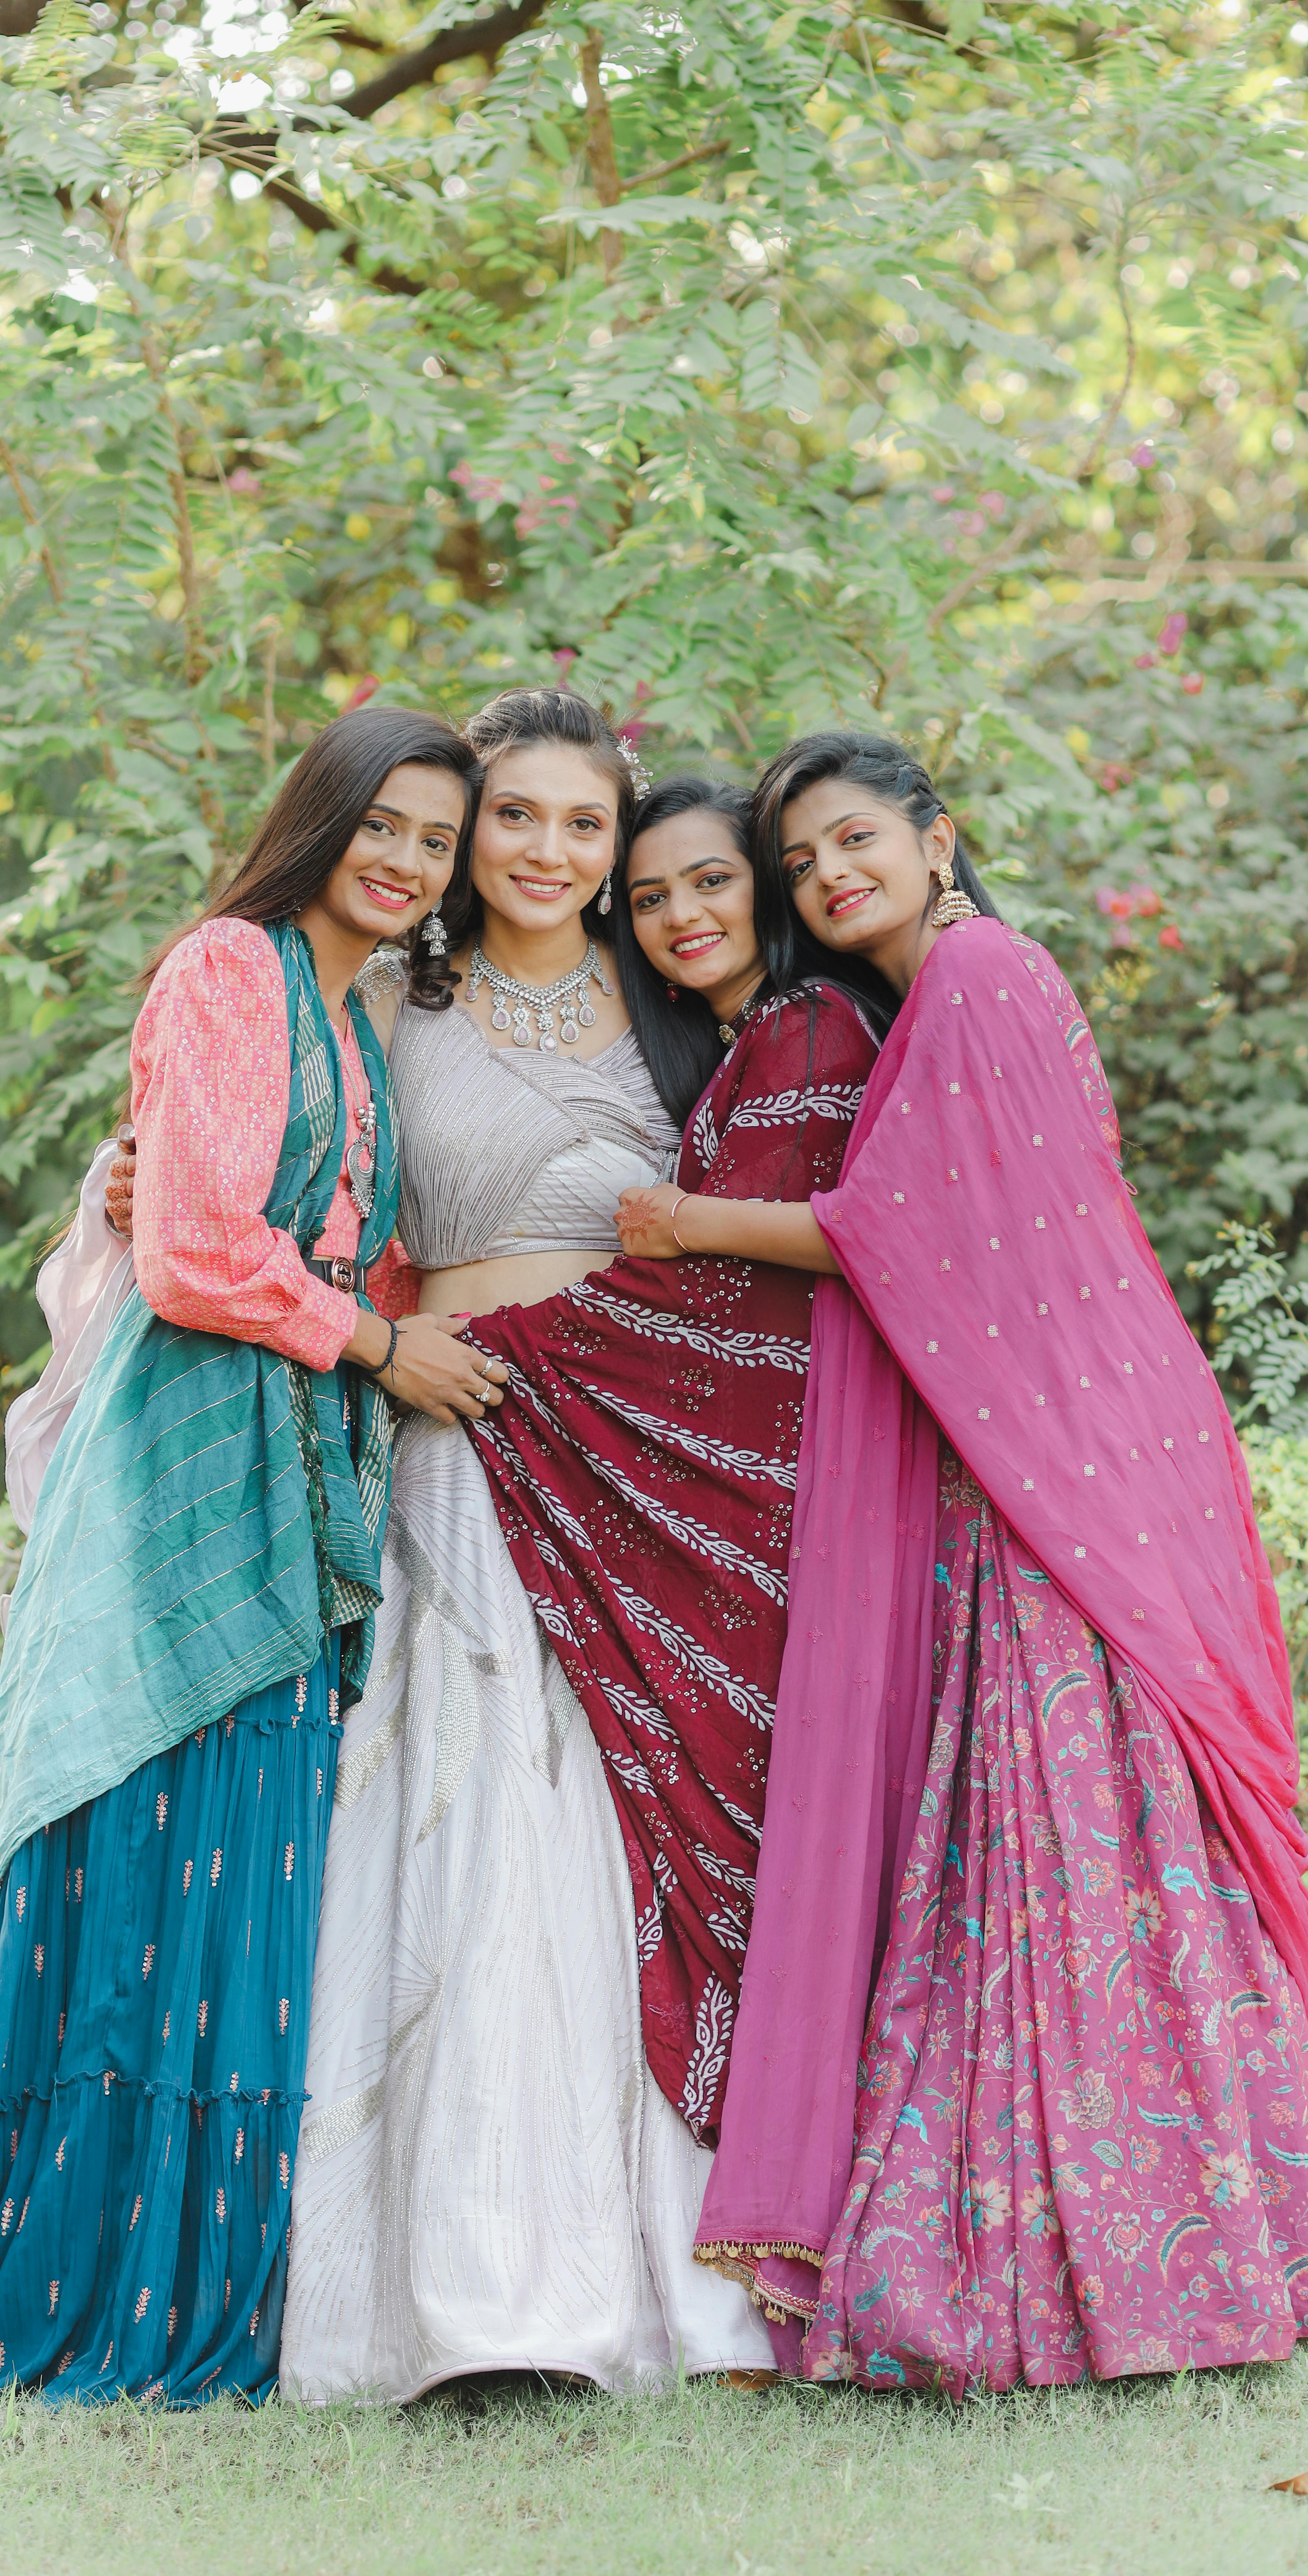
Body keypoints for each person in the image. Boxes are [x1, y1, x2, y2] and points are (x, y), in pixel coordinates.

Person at [617, 727, 1308, 2391]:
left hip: (1061, 1464)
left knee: (1073, 1842)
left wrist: (684, 1227)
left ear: (936, 833)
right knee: (1070, 1851)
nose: (831, 879)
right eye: (806, 863)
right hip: (1051, 1450)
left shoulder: (975, 974)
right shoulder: (943, 991)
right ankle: (1151, 2259)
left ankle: (1134, 2273)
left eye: (852, 843)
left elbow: (902, 1230)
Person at [0, 707, 501, 2406]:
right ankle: (79, 2290)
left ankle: (207, 2295)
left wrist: (384, 1331)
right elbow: (191, 1252)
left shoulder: (357, 1013)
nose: (403, 863)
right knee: (142, 1839)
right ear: (318, 819)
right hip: (189, 1453)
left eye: (433, 843)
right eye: (380, 826)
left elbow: (299, 1229)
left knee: (245, 1876)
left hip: (292, 1462)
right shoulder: (229, 968)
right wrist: (379, 1348)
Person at [278, 697, 781, 2402]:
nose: (549, 853)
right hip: (469, 1454)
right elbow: (271, 1172)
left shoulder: (678, 1012)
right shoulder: (380, 999)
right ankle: (481, 2307)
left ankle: (684, 2291)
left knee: (641, 1851)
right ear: (467, 830)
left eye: (586, 825)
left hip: (658, 1488)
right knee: (481, 1834)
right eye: (517, 819)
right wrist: (139, 1189)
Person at [460, 776, 882, 2143]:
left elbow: (754, 1319)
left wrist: (498, 1348)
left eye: (710, 880)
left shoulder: (812, 1030)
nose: (680, 915)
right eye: (649, 900)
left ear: (764, 882)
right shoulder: (732, 1049)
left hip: (762, 1496)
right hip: (727, 1496)